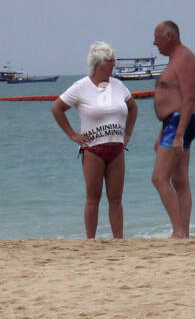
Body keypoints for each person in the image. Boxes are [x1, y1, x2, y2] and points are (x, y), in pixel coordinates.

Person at [51, 43, 137, 238]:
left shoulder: (118, 85)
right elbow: (57, 108)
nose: (114, 64)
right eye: (110, 61)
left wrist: (128, 134)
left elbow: (133, 108)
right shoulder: (81, 87)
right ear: (99, 63)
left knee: (116, 199)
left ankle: (119, 240)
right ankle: (91, 240)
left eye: (114, 60)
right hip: (93, 150)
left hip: (117, 149)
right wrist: (73, 134)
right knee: (93, 198)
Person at [151, 20, 195, 238]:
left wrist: (178, 134)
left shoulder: (184, 59)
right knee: (179, 180)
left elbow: (189, 99)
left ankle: (178, 231)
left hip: (180, 122)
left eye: (157, 38)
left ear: (169, 36)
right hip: (173, 123)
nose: (155, 43)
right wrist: (163, 131)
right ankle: (184, 233)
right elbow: (174, 97)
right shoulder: (175, 59)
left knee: (159, 178)